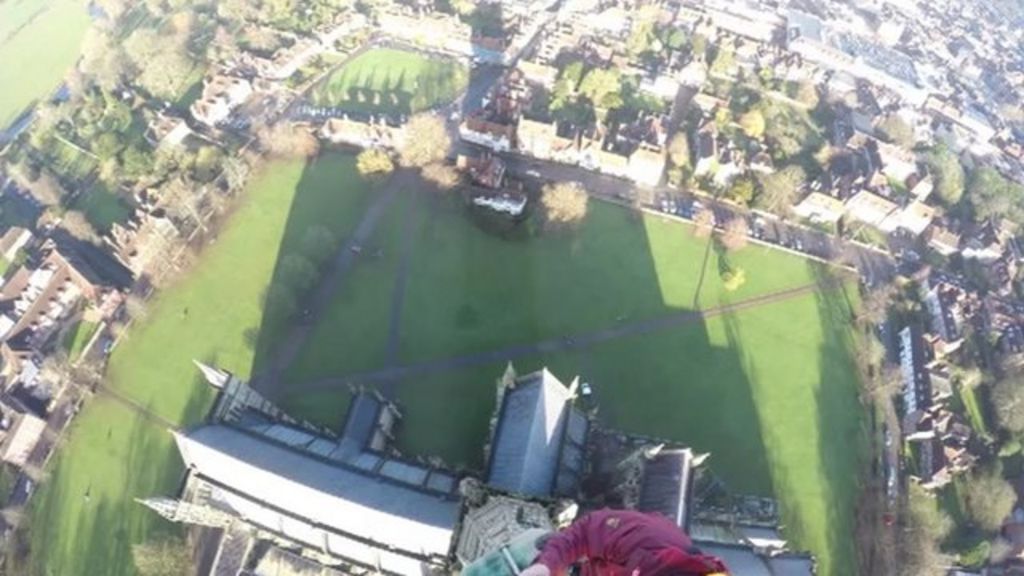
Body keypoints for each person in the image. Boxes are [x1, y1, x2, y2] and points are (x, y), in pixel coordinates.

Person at [520, 509, 728, 576]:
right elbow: (585, 533)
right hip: (590, 565)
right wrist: (547, 565)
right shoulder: (652, 540)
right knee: (545, 548)